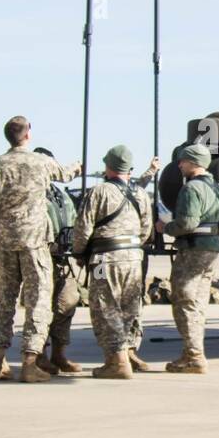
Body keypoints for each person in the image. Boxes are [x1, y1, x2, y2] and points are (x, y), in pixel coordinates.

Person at [0, 116, 80, 382]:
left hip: (5, 243)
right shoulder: (40, 161)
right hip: (34, 243)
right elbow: (65, 175)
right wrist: (77, 167)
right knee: (38, 302)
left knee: (5, 302)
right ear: (28, 134)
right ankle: (30, 362)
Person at [72, 146, 153, 379]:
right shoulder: (141, 194)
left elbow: (83, 228)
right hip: (134, 259)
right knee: (129, 307)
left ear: (108, 166)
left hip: (103, 260)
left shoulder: (99, 192)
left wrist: (79, 253)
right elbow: (146, 230)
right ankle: (125, 354)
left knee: (104, 307)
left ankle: (117, 361)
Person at [158, 143, 219, 373]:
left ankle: (195, 356)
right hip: (212, 249)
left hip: (192, 249)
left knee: (183, 301)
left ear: (193, 163)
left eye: (183, 160)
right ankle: (190, 353)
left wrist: (165, 227)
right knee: (197, 303)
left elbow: (187, 224)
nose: (179, 164)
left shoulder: (190, 190)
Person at [33, 147, 83, 376]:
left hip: (65, 257)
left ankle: (59, 354)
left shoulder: (59, 194)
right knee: (42, 308)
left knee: (67, 303)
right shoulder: (33, 193)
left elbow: (74, 218)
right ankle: (39, 354)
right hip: (43, 257)